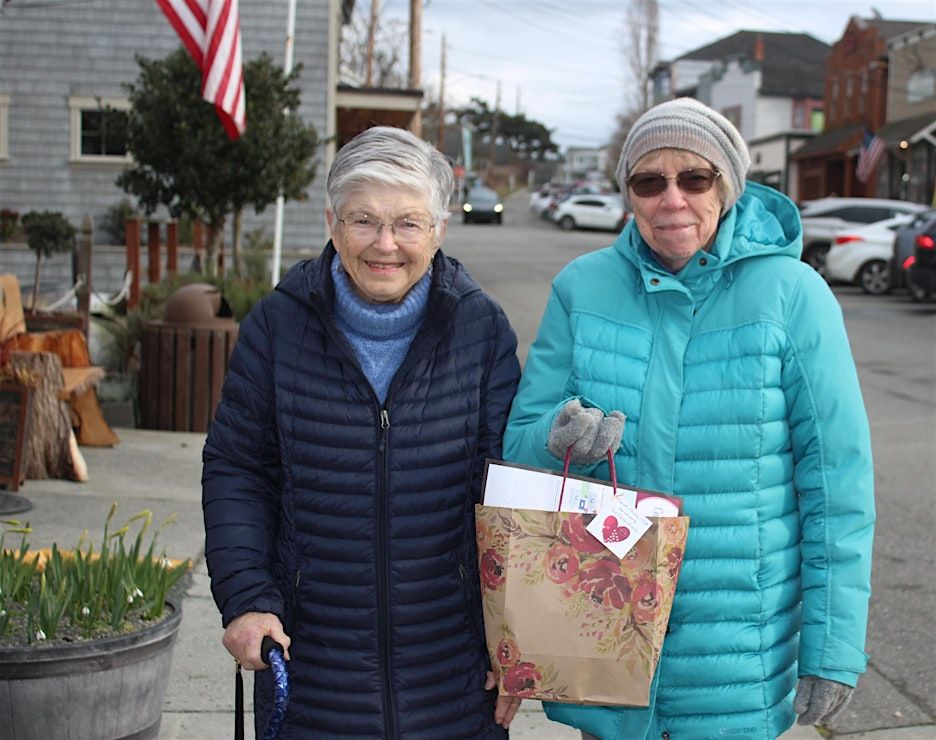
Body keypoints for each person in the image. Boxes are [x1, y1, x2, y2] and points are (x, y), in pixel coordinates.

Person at [502, 98, 875, 739]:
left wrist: (833, 646)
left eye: (694, 178)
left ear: (726, 185)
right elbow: (521, 441)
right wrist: (556, 438)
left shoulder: (794, 295)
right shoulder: (580, 288)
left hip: (738, 649)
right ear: (629, 195)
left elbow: (836, 484)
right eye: (650, 181)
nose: (672, 199)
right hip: (608, 634)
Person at [202, 126, 522, 738]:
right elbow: (238, 468)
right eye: (363, 220)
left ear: (440, 230)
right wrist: (246, 598)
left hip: (454, 671)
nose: (386, 245)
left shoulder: (480, 328)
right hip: (310, 664)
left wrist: (519, 639)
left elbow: (506, 482)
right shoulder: (277, 326)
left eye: (408, 223)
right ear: (330, 221)